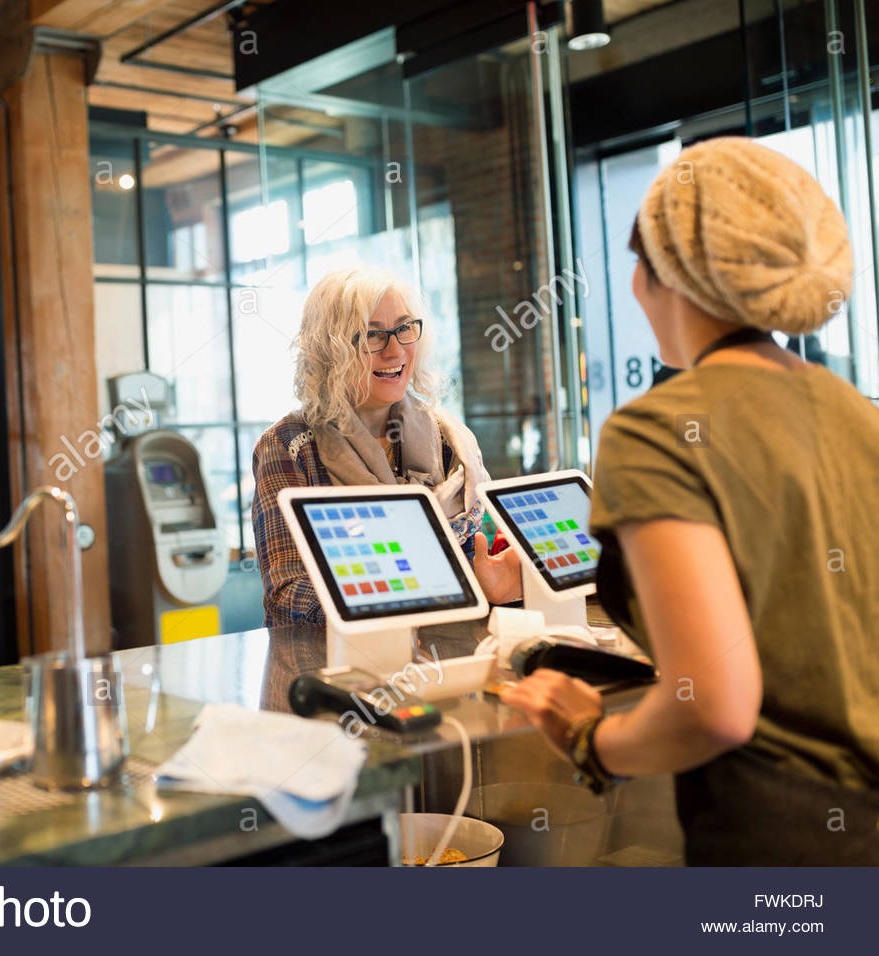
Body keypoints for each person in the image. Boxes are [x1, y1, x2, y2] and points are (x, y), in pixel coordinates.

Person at [500, 137, 879, 865]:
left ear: (657, 274)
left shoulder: (659, 428)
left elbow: (714, 707)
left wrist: (590, 738)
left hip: (788, 848)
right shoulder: (855, 411)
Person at [251, 266, 521, 627]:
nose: (395, 351)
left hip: (446, 659)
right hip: (338, 670)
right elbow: (289, 595)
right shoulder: (289, 445)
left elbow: (469, 571)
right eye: (372, 335)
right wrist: (405, 596)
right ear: (329, 349)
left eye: (405, 329)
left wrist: (492, 587)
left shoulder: (448, 439)